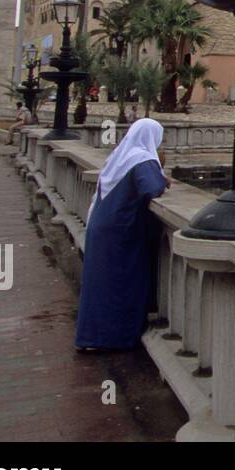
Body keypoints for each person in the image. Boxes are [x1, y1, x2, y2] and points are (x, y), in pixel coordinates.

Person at [75, 118, 170, 352]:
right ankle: (114, 338)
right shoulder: (142, 158)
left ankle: (91, 335)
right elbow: (151, 188)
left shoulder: (121, 155)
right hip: (120, 229)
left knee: (100, 283)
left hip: (102, 224)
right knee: (120, 282)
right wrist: (162, 179)